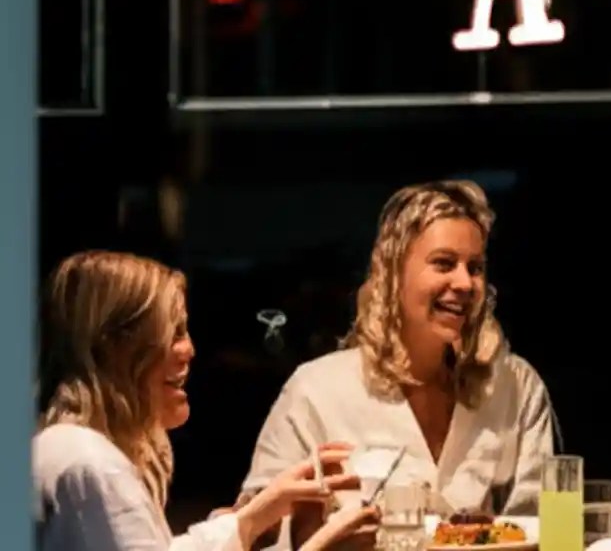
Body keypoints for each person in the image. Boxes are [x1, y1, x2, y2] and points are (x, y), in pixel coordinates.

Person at [240, 181, 555, 544]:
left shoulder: (515, 387)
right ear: (393, 272)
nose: (465, 283)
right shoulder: (316, 391)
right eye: (444, 263)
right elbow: (255, 528)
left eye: (476, 267)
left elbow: (540, 524)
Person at [33, 250, 378, 551]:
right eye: (173, 332)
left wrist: (252, 517)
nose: (189, 350)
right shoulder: (92, 467)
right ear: (115, 348)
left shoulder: (67, 448)